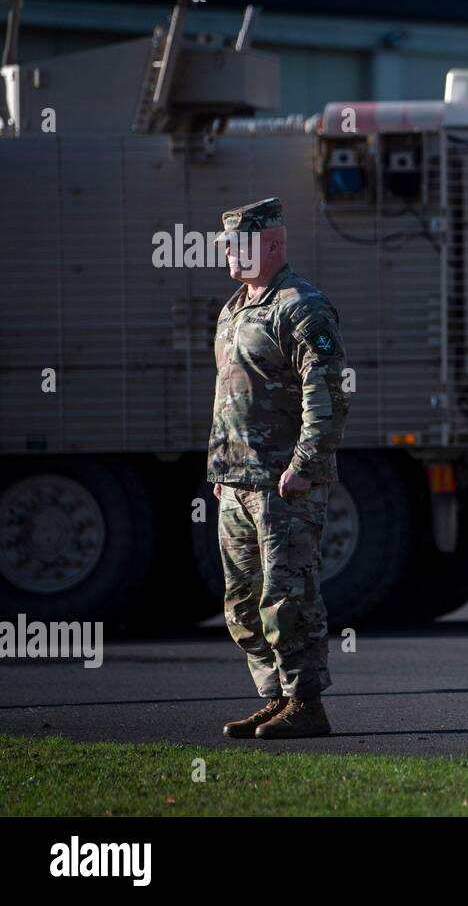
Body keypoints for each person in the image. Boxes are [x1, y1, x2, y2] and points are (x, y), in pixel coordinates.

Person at [208, 197, 350, 740]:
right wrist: (222, 468)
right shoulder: (236, 307)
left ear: (272, 245)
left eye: (238, 243)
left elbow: (328, 391)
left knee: (288, 595)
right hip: (237, 479)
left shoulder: (301, 305)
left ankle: (306, 703)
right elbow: (229, 395)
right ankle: (274, 696)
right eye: (226, 243)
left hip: (282, 482)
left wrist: (306, 464)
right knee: (242, 599)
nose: (227, 252)